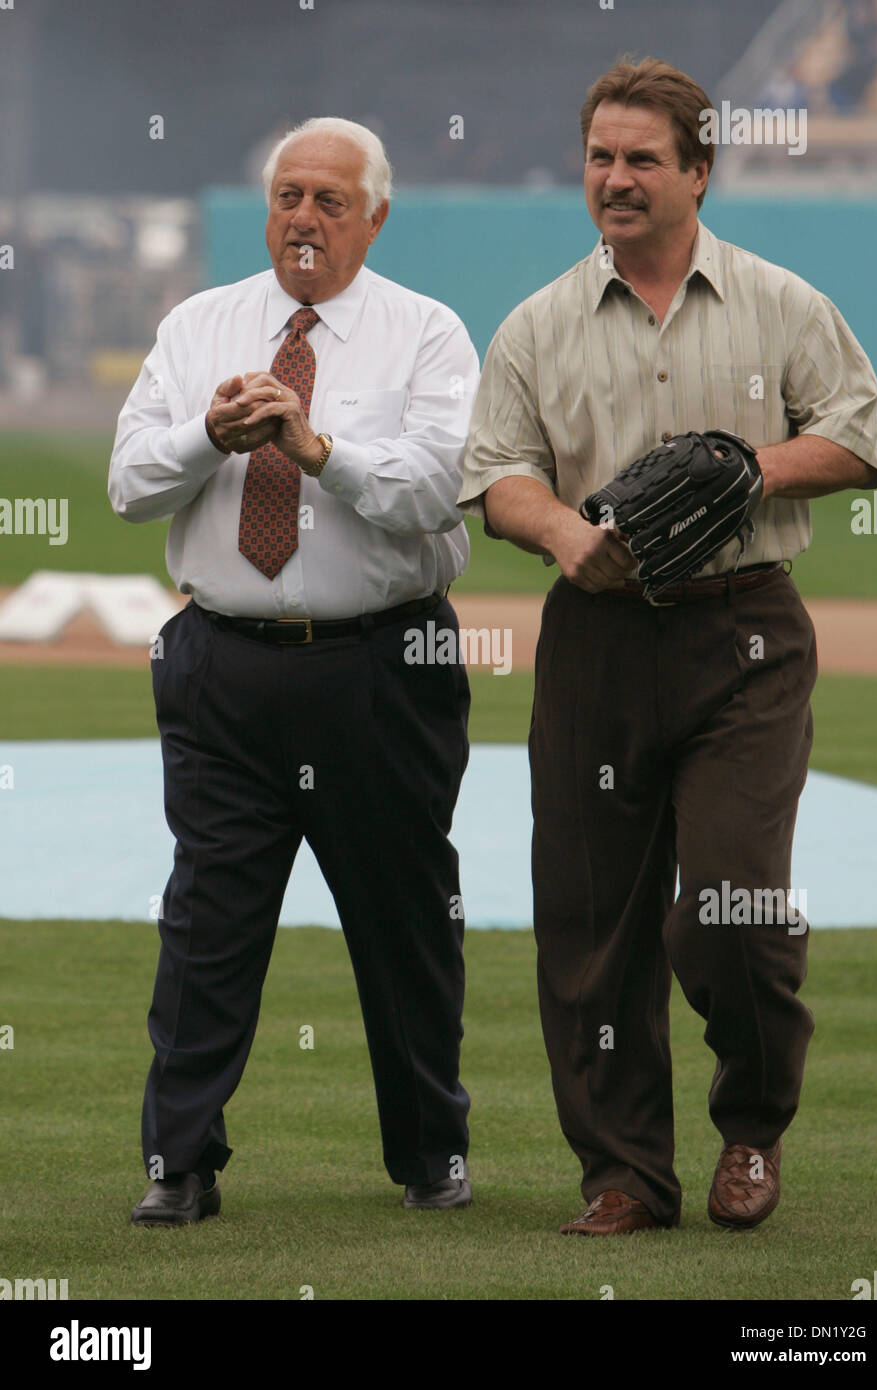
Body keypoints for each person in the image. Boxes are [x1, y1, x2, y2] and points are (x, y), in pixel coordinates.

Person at [458, 58, 877, 1236]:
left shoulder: (781, 304)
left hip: (742, 630)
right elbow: (495, 473)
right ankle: (623, 1174)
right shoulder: (537, 323)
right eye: (601, 156)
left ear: (700, 170)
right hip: (595, 636)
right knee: (591, 923)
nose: (616, 178)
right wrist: (559, 531)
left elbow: (853, 435)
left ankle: (749, 1126)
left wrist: (751, 465)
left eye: (643, 158)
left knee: (732, 904)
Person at [110, 117, 479, 1225]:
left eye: (327, 199)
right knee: (207, 919)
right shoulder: (198, 325)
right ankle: (180, 1163)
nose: (302, 218)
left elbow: (434, 492)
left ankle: (430, 1153)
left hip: (379, 666)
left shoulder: (427, 335)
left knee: (403, 914)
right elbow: (130, 484)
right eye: (286, 196)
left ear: (374, 214)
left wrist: (317, 447)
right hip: (223, 663)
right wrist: (204, 440)